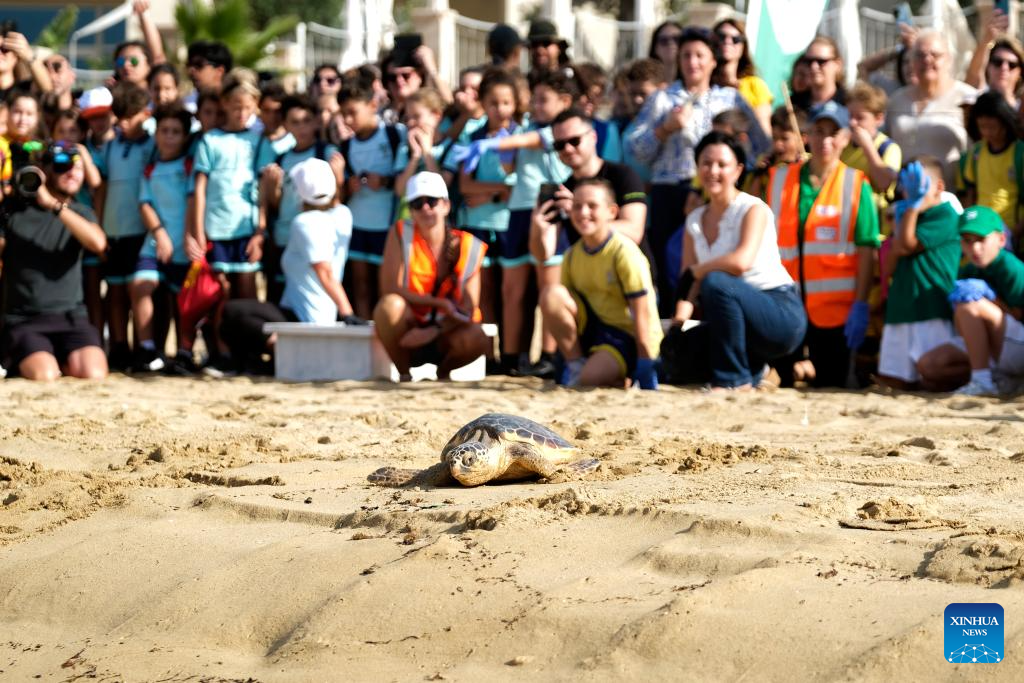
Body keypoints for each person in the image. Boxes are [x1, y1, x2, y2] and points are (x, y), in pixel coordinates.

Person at [626, 26, 767, 312]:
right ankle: (674, 334)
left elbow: (760, 145)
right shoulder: (663, 100)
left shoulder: (730, 99)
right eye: (686, 55)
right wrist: (663, 129)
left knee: (713, 265)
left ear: (713, 61)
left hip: (716, 193)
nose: (693, 62)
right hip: (670, 192)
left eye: (700, 55)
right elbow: (636, 150)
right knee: (670, 268)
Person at [669, 132, 805, 390]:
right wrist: (677, 327)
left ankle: (734, 379)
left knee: (717, 281)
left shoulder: (753, 208)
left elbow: (740, 263)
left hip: (780, 312)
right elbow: (689, 282)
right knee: (684, 350)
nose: (713, 171)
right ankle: (759, 371)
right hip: (732, 318)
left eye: (722, 164)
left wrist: (699, 270)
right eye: (706, 164)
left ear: (739, 170)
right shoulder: (694, 220)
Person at [765, 101, 880, 388]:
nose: (825, 140)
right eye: (819, 131)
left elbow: (867, 248)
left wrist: (861, 304)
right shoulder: (780, 179)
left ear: (845, 138)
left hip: (835, 315)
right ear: (807, 135)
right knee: (785, 382)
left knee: (831, 384)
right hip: (785, 304)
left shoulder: (856, 184)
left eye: (833, 133)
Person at [221, 158, 361, 374]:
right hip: (303, 311)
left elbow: (324, 271)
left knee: (231, 313)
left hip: (309, 318)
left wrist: (347, 314)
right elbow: (333, 202)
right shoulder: (343, 215)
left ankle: (277, 356)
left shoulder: (304, 223)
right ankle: (272, 358)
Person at [538, 178, 661, 389]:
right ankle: (575, 365)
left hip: (626, 336)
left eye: (592, 206)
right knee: (551, 294)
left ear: (612, 212)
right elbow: (566, 308)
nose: (583, 212)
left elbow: (642, 312)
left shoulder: (623, 251)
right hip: (593, 331)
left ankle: (618, 374)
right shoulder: (572, 255)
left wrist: (645, 360)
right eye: (577, 206)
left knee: (590, 379)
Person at [0, 142, 108, 380]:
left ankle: (60, 359)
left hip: (72, 318)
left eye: (78, 167)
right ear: (43, 169)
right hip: (25, 320)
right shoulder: (13, 211)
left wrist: (52, 205)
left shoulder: (80, 213)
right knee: (45, 375)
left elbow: (98, 244)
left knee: (94, 373)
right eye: (62, 165)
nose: (72, 172)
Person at [373, 171, 491, 382]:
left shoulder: (469, 245)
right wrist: (437, 303)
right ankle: (404, 374)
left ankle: (443, 374)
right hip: (409, 329)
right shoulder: (401, 232)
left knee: (478, 338)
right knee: (389, 306)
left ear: (446, 205)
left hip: (447, 331)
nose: (425, 208)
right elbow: (390, 288)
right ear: (410, 210)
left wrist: (435, 330)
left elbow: (468, 308)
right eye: (417, 203)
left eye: (431, 201)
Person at [918, 205, 1024, 396]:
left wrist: (991, 300)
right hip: (998, 349)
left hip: (1017, 347)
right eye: (967, 241)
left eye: (981, 239)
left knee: (968, 305)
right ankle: (998, 380)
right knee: (928, 366)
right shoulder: (968, 270)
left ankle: (982, 381)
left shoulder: (1012, 267)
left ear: (1001, 239)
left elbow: (1019, 315)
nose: (974, 248)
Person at [877, 159, 963, 390]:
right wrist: (905, 218)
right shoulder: (908, 216)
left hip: (931, 308)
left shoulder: (945, 215)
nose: (909, 192)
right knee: (895, 382)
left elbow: (905, 246)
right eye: (906, 185)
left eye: (919, 185)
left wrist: (912, 208)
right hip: (901, 309)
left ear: (939, 187)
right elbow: (889, 266)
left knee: (932, 377)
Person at [188, 68, 265, 309]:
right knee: (218, 296)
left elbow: (262, 189)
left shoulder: (257, 140)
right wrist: (198, 231)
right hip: (216, 230)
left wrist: (259, 232)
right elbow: (199, 189)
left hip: (245, 229)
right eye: (235, 106)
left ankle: (248, 347)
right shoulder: (210, 140)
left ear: (255, 105)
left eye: (247, 107)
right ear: (225, 104)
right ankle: (220, 347)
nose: (241, 113)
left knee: (247, 293)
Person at [129, 104, 196, 374]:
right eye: (164, 131)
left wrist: (191, 237)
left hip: (185, 245)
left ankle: (184, 352)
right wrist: (159, 233)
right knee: (140, 285)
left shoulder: (190, 165)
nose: (169, 136)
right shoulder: (149, 169)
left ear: (184, 137)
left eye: (175, 132)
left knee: (184, 302)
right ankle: (147, 349)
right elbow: (145, 204)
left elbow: (194, 201)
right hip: (157, 241)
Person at [94, 82, 155, 369]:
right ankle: (119, 346)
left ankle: (145, 347)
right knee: (115, 292)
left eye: (130, 116)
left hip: (140, 231)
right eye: (120, 116)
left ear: (146, 114)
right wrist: (98, 227)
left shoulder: (153, 145)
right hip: (112, 229)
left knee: (138, 290)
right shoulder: (110, 148)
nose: (124, 122)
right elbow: (102, 188)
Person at [259, 95, 343, 304]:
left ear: (315, 121)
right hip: (285, 238)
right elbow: (278, 204)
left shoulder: (328, 153)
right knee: (282, 297)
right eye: (295, 122)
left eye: (306, 121)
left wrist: (339, 178)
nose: (302, 128)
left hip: (317, 240)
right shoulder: (281, 158)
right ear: (285, 125)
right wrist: (271, 188)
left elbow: (337, 201)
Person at [337, 78, 409, 318]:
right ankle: (364, 336)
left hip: (386, 227)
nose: (347, 120)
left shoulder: (394, 134)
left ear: (372, 105)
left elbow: (405, 177)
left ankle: (385, 336)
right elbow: (341, 190)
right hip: (357, 226)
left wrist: (385, 181)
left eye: (352, 113)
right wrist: (349, 185)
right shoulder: (346, 145)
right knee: (360, 285)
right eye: (343, 114)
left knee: (385, 286)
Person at [886, 31, 977, 188]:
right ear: (912, 62)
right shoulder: (896, 100)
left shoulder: (968, 98)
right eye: (920, 55)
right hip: (905, 197)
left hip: (950, 198)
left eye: (935, 55)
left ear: (949, 59)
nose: (927, 60)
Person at [958, 90, 1024, 237]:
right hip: (981, 231)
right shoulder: (976, 153)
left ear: (1005, 122)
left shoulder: (1020, 153)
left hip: (1011, 233)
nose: (987, 132)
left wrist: (1014, 235)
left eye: (992, 127)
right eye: (982, 127)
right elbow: (971, 195)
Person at [841, 82, 902, 224]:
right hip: (843, 220)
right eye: (850, 116)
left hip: (873, 223)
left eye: (860, 117)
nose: (852, 123)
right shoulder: (843, 144)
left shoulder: (887, 148)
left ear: (879, 119)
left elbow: (885, 183)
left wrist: (867, 146)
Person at [711, 19, 772, 136]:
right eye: (721, 36)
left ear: (743, 47)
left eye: (736, 39)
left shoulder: (755, 85)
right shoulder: (703, 84)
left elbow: (763, 133)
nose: (727, 42)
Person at [790, 36, 846, 114]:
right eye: (809, 61)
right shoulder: (793, 106)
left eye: (821, 61)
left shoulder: (849, 104)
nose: (814, 67)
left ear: (838, 65)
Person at [184, 41, 232, 113]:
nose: (191, 70)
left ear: (219, 71)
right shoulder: (185, 106)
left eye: (198, 65)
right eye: (189, 65)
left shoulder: (235, 107)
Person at [648, 21, 684, 85]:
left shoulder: (692, 82)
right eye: (663, 40)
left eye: (676, 39)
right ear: (655, 48)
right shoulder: (645, 83)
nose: (671, 43)